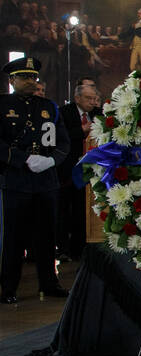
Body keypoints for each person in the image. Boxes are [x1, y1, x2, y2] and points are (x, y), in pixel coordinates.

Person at [1, 57, 71, 304]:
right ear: (12, 80)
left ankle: (49, 283)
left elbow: (62, 141)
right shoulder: (3, 105)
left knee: (46, 236)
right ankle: (8, 287)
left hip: (45, 180)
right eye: (25, 77)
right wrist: (21, 159)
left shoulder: (49, 107)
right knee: (14, 237)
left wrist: (51, 161)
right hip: (17, 180)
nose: (31, 81)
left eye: (33, 77)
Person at [57, 81, 100, 260]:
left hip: (90, 171)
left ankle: (82, 247)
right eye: (88, 98)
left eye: (94, 99)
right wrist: (81, 130)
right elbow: (60, 137)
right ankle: (63, 248)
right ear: (77, 98)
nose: (92, 102)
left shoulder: (98, 114)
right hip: (67, 170)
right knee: (65, 210)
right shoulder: (64, 112)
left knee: (83, 210)